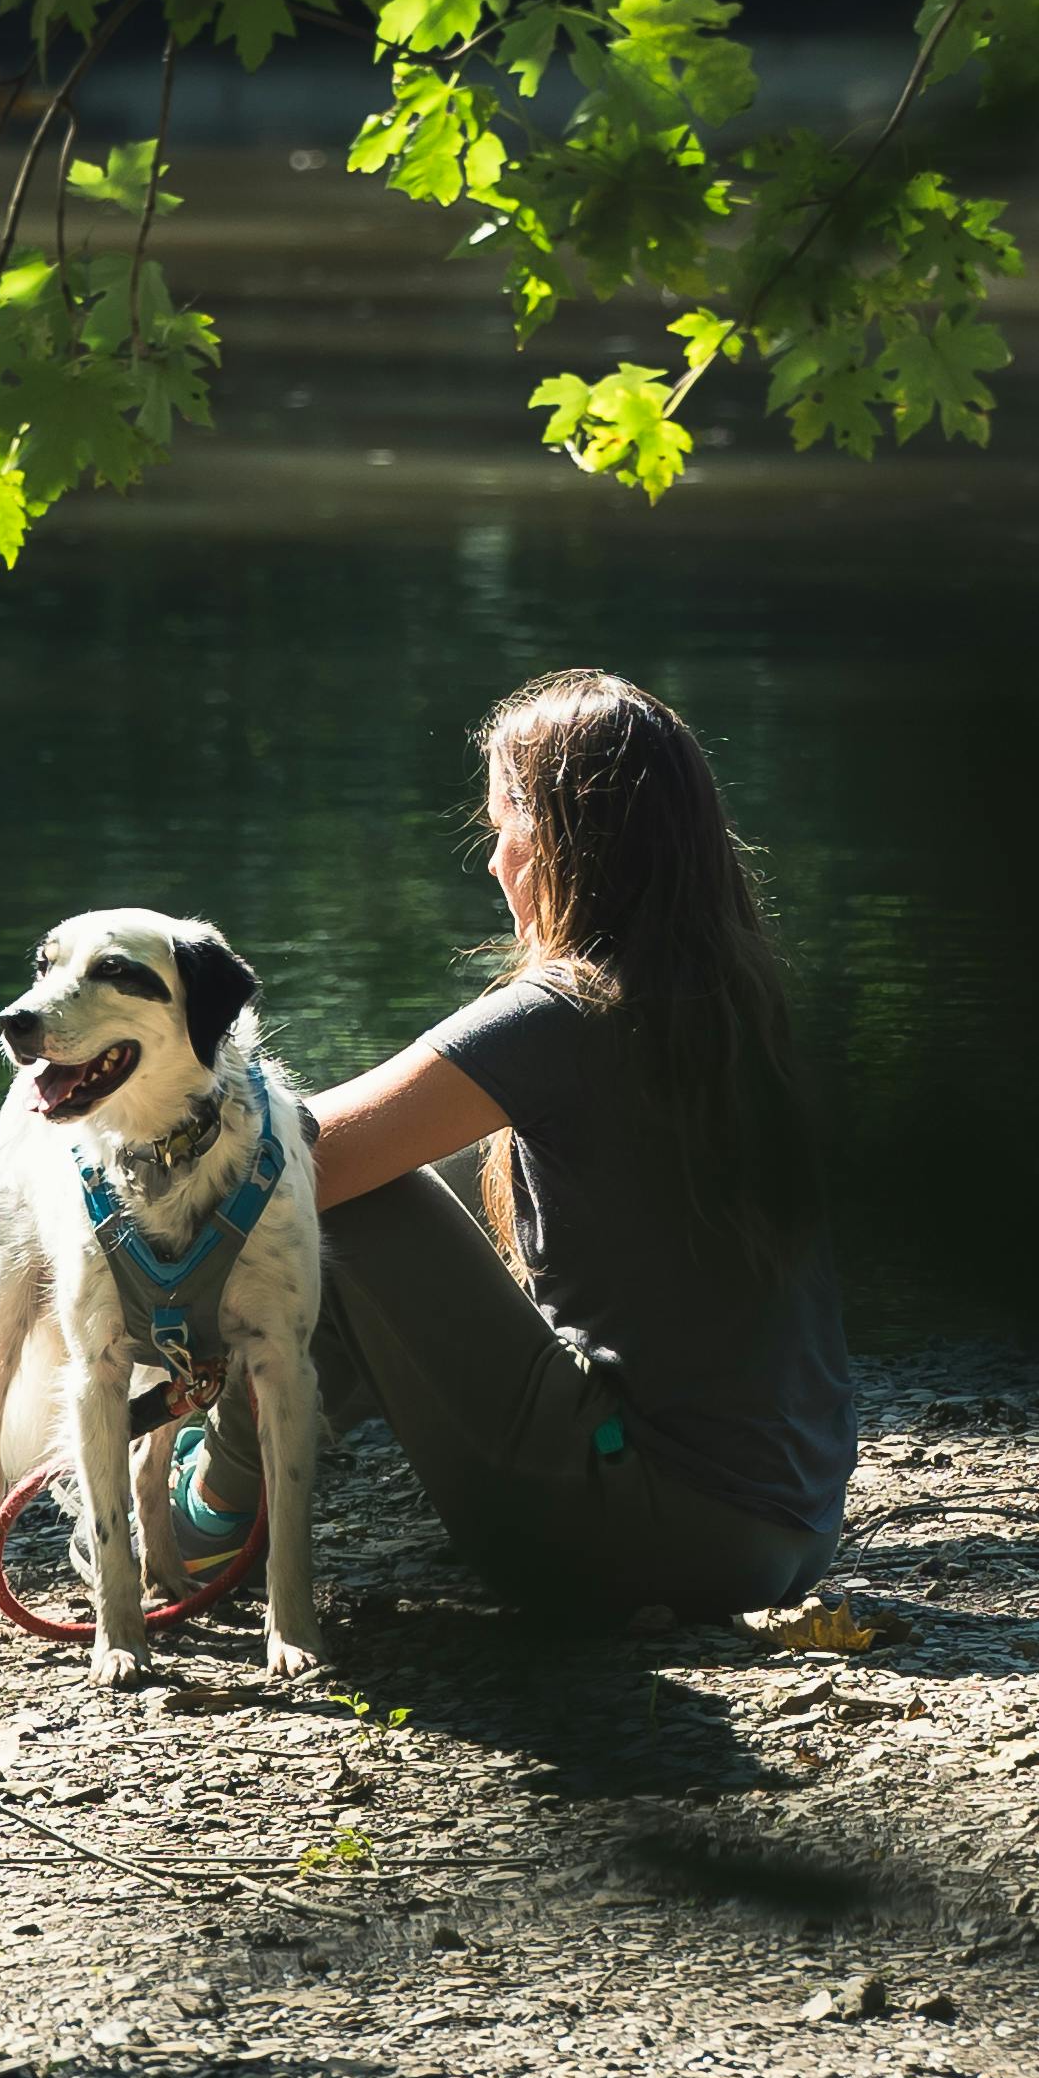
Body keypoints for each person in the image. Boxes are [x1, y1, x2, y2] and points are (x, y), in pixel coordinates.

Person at [172, 666, 852, 1620]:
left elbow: (280, 1160)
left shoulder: (566, 1011)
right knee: (417, 1170)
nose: (494, 863)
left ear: (568, 845)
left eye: (504, 829)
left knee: (348, 1194)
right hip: (788, 1533)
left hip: (645, 1529)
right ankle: (224, 1467)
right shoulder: (732, 1000)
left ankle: (204, 1517)